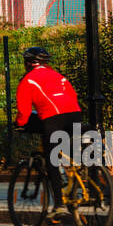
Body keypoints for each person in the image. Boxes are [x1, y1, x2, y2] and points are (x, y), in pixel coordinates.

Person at [14, 46, 82, 216]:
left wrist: (19, 124)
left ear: (28, 63)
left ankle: (59, 204)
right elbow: (72, 96)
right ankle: (89, 182)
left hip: (53, 118)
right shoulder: (59, 76)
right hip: (75, 114)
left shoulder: (27, 80)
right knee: (66, 148)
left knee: (51, 159)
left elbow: (24, 111)